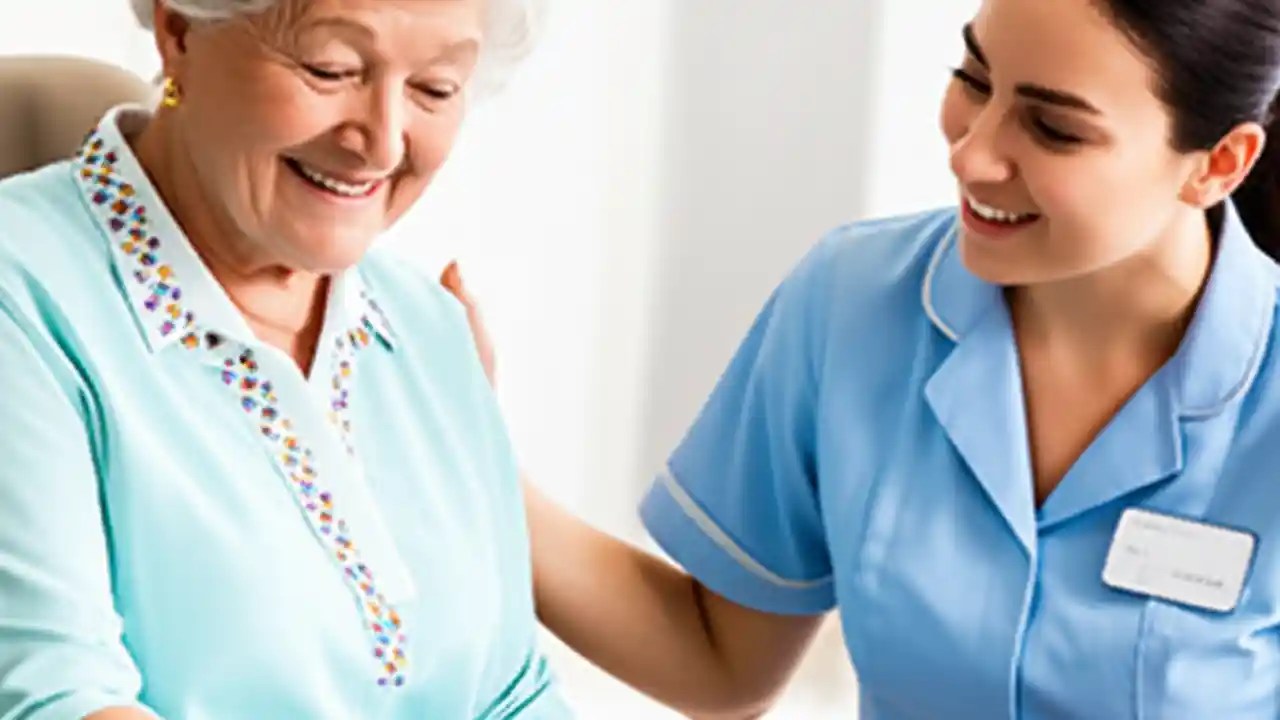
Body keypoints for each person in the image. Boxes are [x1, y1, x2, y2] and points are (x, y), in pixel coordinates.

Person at [446, 0, 1280, 716]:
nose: (972, 153)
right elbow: (719, 658)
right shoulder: (853, 304)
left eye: (1054, 128)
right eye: (974, 80)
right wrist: (459, 443)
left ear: (1217, 164)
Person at [0, 0, 570, 718]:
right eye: (332, 70)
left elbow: (514, 692)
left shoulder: (428, 329)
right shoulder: (22, 296)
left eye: (435, 89)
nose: (383, 144)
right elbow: (56, 701)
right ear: (179, 29)